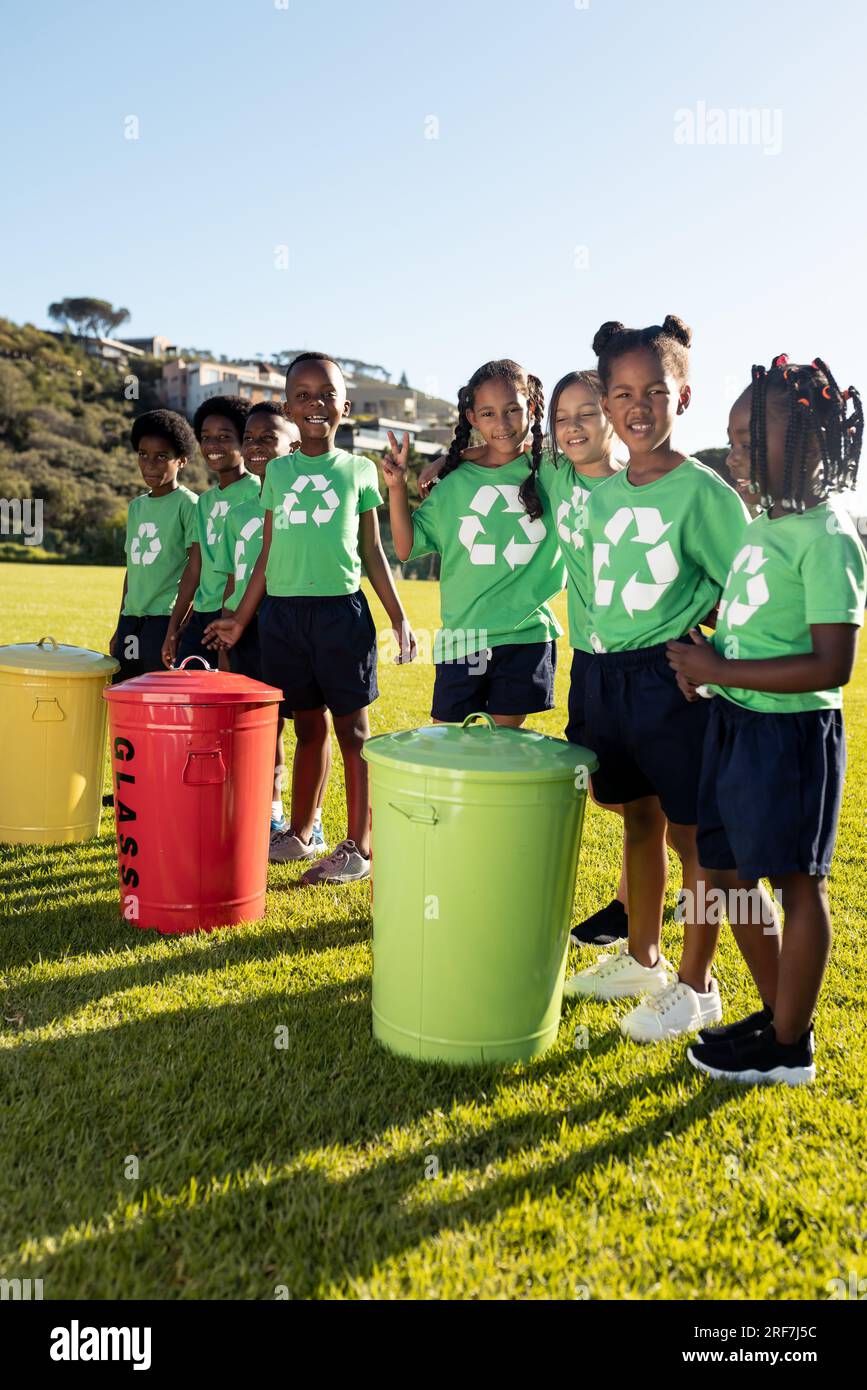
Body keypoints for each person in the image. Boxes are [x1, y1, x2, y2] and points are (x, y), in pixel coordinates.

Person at [667, 356, 866, 1085]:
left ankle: (789, 1045)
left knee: (795, 882)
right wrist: (707, 657)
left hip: (790, 738)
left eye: (752, 437)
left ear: (811, 443)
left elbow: (828, 665)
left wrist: (718, 671)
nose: (737, 451)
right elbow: (751, 633)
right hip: (736, 726)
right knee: (722, 872)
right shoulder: (758, 530)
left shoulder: (828, 535)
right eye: (732, 437)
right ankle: (778, 1011)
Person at [564, 316, 751, 1044]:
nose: (636, 407)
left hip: (669, 683)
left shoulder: (703, 494)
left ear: (683, 395)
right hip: (601, 679)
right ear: (605, 403)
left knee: (695, 839)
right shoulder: (599, 492)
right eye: (620, 393)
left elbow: (745, 585)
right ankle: (642, 957)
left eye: (653, 391)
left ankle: (696, 986)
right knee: (636, 820)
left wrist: (711, 656)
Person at [205, 352, 415, 886]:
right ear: (287, 407)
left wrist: (398, 617)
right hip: (282, 616)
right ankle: (301, 834)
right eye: (302, 395)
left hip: (340, 615)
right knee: (306, 728)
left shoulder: (358, 470)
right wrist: (239, 619)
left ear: (346, 405)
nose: (315, 404)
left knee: (355, 733)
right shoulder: (276, 471)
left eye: (326, 395)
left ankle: (360, 846)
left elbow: (373, 552)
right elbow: (267, 556)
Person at [383, 359, 564, 727]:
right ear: (472, 417)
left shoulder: (552, 471)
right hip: (462, 639)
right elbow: (406, 548)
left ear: (531, 408)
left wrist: (456, 456)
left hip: (524, 638)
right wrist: (397, 487)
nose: (502, 423)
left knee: (502, 752)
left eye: (513, 410)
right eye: (489, 413)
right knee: (450, 747)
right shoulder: (453, 484)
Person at [210, 400, 331, 845]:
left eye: (267, 438)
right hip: (245, 630)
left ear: (294, 444)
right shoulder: (239, 510)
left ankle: (312, 820)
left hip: (288, 621)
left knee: (308, 719)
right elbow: (232, 577)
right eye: (249, 439)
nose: (255, 447)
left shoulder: (303, 502)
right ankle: (271, 812)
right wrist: (227, 628)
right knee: (264, 725)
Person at [161, 395, 258, 669]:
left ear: (244, 440)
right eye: (206, 436)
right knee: (190, 695)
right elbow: (195, 569)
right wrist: (176, 627)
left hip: (241, 613)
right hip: (202, 617)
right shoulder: (204, 501)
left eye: (224, 436)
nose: (213, 445)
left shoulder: (260, 492)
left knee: (246, 699)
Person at [110, 409, 198, 681]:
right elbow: (133, 569)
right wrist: (120, 625)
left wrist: (178, 627)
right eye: (143, 454)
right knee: (124, 692)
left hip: (163, 620)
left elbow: (197, 572)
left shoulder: (190, 506)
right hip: (131, 621)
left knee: (159, 695)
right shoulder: (136, 506)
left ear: (181, 461)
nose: (150, 464)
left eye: (162, 456)